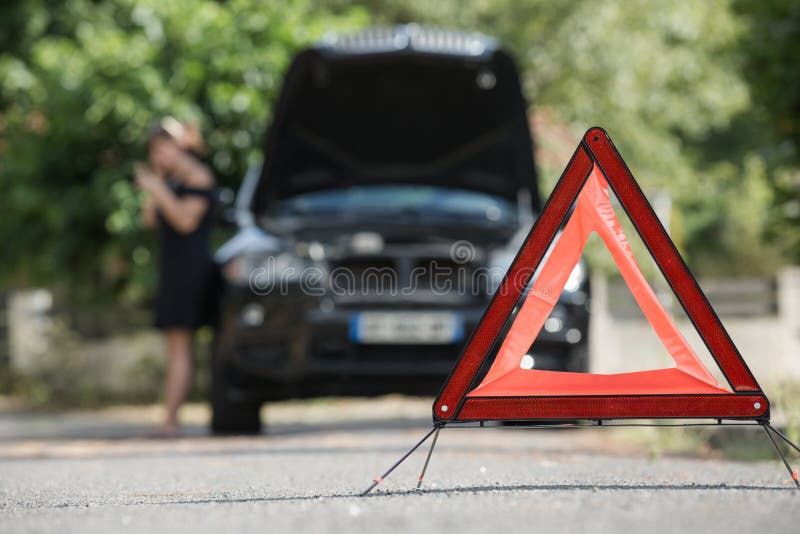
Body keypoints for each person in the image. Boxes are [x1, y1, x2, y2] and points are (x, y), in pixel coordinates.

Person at [135, 118, 216, 437]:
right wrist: (157, 185)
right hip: (172, 269)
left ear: (182, 145)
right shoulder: (168, 182)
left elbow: (185, 222)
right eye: (155, 149)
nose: (161, 154)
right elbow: (149, 220)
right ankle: (170, 417)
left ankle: (171, 421)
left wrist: (157, 188)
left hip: (190, 271)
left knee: (181, 345)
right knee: (174, 345)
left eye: (165, 146)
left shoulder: (199, 176)